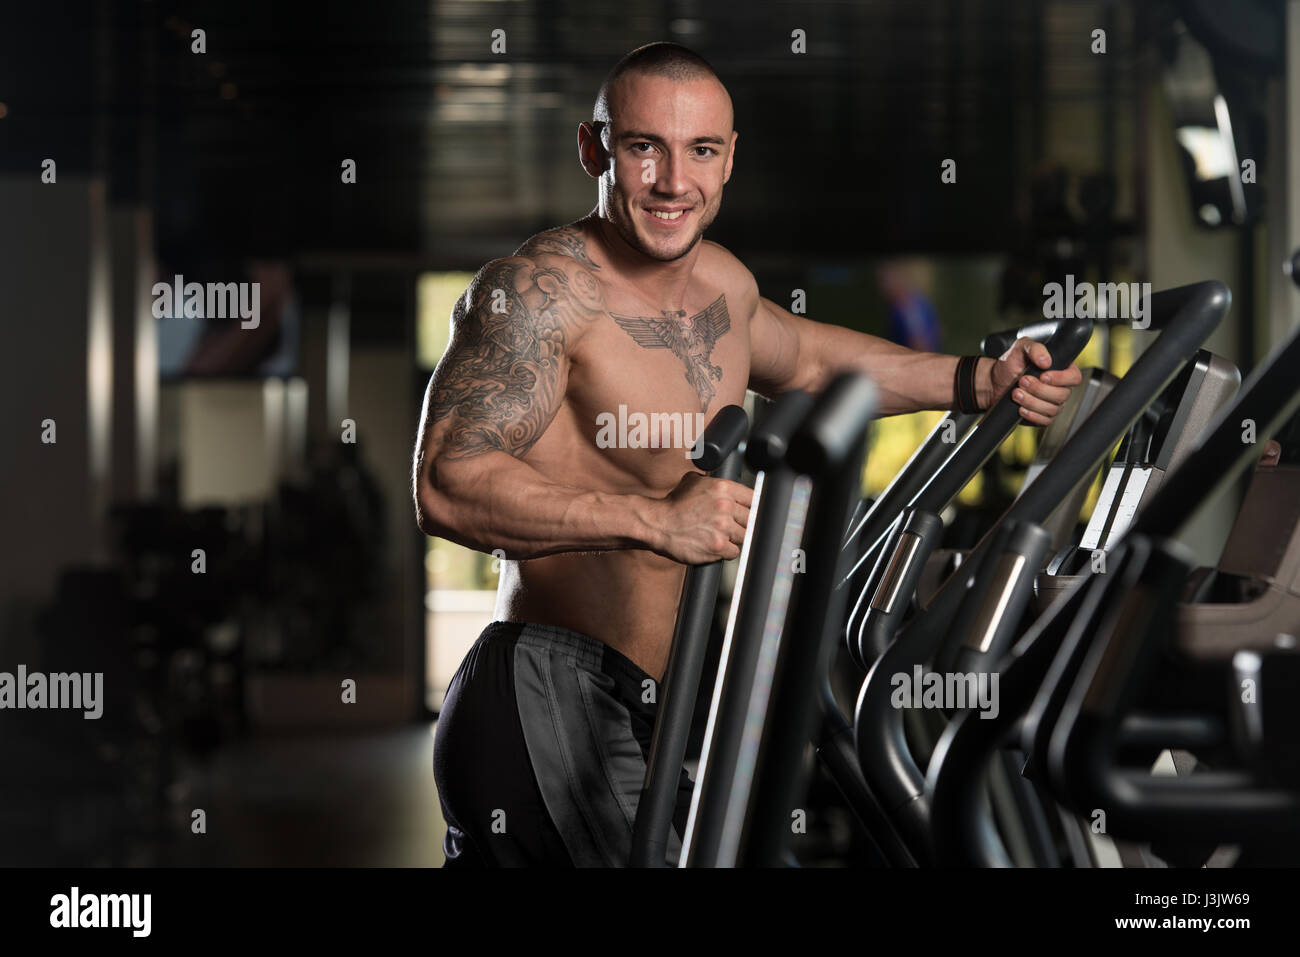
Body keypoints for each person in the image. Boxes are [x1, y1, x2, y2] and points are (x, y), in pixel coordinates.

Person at [413, 41, 1083, 867]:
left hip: (651, 698)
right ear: (595, 149)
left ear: (730, 160)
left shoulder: (721, 288)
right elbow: (449, 482)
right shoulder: (541, 291)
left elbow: (806, 357)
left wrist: (977, 377)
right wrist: (652, 519)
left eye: (700, 150)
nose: (672, 182)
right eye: (642, 147)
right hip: (549, 688)